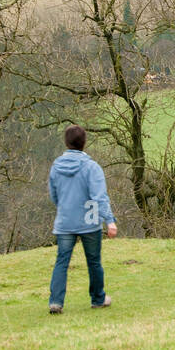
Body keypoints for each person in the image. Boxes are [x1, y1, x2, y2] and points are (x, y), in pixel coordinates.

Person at [48, 125, 117, 314]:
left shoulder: (56, 166)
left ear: (66, 142)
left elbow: (54, 195)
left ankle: (55, 302)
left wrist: (65, 208)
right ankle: (98, 298)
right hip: (89, 218)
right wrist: (109, 221)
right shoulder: (91, 167)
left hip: (65, 220)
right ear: (84, 143)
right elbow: (99, 196)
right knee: (94, 261)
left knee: (62, 261)